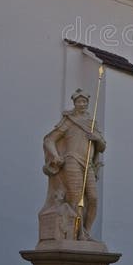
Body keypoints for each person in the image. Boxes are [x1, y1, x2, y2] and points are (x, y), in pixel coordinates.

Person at [42, 89, 106, 239]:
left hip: (88, 164)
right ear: (75, 103)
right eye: (79, 101)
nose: (82, 104)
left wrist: (96, 138)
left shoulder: (92, 122)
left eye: (85, 101)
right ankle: (78, 233)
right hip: (72, 160)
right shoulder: (69, 121)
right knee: (76, 199)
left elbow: (102, 147)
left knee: (93, 198)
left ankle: (86, 230)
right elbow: (49, 140)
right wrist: (56, 155)